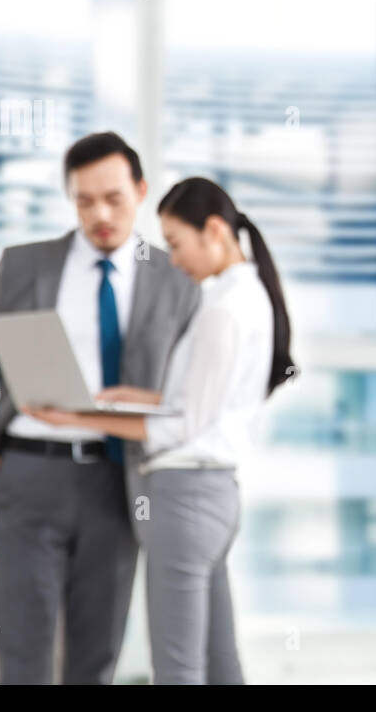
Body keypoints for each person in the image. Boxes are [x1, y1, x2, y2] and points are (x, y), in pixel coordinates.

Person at [0, 131, 200, 684]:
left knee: (95, 658)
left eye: (114, 199)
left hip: (120, 483)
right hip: (29, 475)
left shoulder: (175, 277)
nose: (100, 214)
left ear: (141, 191)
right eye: (84, 201)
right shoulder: (25, 267)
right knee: (24, 657)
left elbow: (189, 392)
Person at [24, 176, 296, 684]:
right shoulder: (247, 298)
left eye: (175, 244)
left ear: (213, 230)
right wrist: (128, 397)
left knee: (176, 669)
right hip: (213, 494)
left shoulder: (223, 309)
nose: (173, 259)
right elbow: (199, 405)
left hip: (184, 498)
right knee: (218, 662)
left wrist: (77, 417)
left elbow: (180, 427)